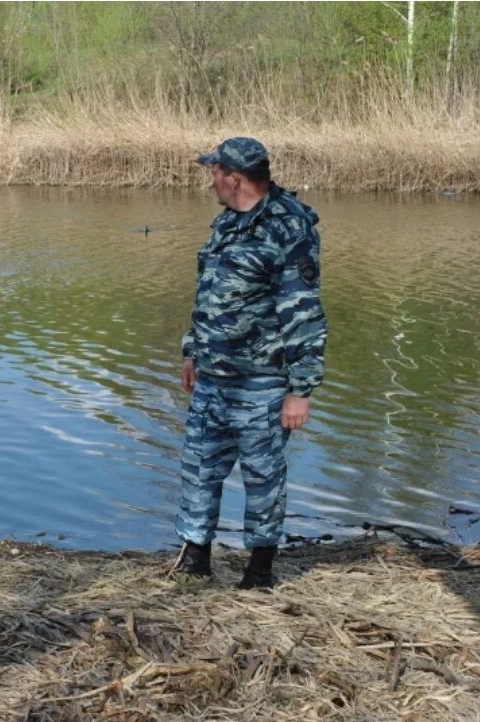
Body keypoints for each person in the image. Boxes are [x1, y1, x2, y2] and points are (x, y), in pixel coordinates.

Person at [174, 137, 327, 589]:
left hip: (261, 381)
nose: (212, 180)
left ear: (234, 177)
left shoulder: (289, 228)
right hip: (213, 376)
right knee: (199, 467)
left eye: (215, 172)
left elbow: (302, 313)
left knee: (263, 478)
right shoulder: (226, 224)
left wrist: (300, 390)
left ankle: (259, 569)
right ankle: (194, 558)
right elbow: (210, 292)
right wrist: (191, 350)